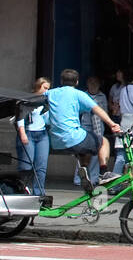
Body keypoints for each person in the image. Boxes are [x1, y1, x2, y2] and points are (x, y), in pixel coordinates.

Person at [45, 69, 121, 197]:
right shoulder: (78, 94)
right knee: (103, 142)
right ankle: (104, 173)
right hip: (73, 138)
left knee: (86, 145)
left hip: (56, 142)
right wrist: (112, 124)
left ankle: (84, 170)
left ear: (61, 81)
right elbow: (98, 109)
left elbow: (34, 99)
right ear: (77, 81)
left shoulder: (51, 93)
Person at [16, 77, 51, 193]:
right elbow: (20, 116)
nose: (46, 90)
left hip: (42, 134)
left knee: (41, 166)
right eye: (44, 87)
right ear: (38, 86)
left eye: (48, 88)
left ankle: (39, 192)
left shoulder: (46, 100)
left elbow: (46, 119)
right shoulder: (27, 99)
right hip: (29, 133)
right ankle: (21, 189)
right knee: (26, 165)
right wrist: (22, 133)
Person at [75, 75, 108, 185]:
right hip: (85, 126)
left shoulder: (102, 96)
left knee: (95, 154)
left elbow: (105, 111)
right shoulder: (83, 95)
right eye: (91, 83)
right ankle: (79, 178)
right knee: (82, 153)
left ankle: (93, 178)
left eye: (95, 83)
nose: (93, 86)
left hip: (98, 128)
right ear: (88, 84)